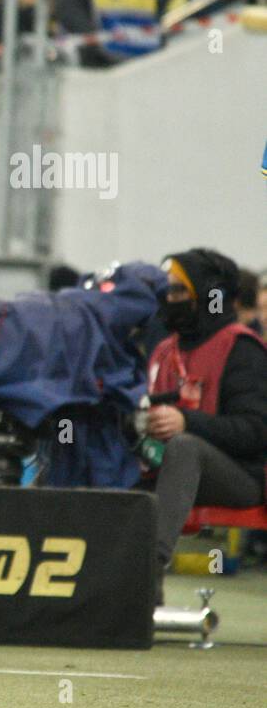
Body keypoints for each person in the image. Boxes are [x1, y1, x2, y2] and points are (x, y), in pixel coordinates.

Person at [143, 249, 267, 605]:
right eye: (168, 290)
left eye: (180, 291)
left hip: (239, 476)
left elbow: (255, 433)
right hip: (166, 469)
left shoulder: (241, 348)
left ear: (208, 294)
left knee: (185, 447)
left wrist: (187, 421)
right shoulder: (164, 350)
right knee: (106, 458)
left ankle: (145, 578)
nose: (171, 299)